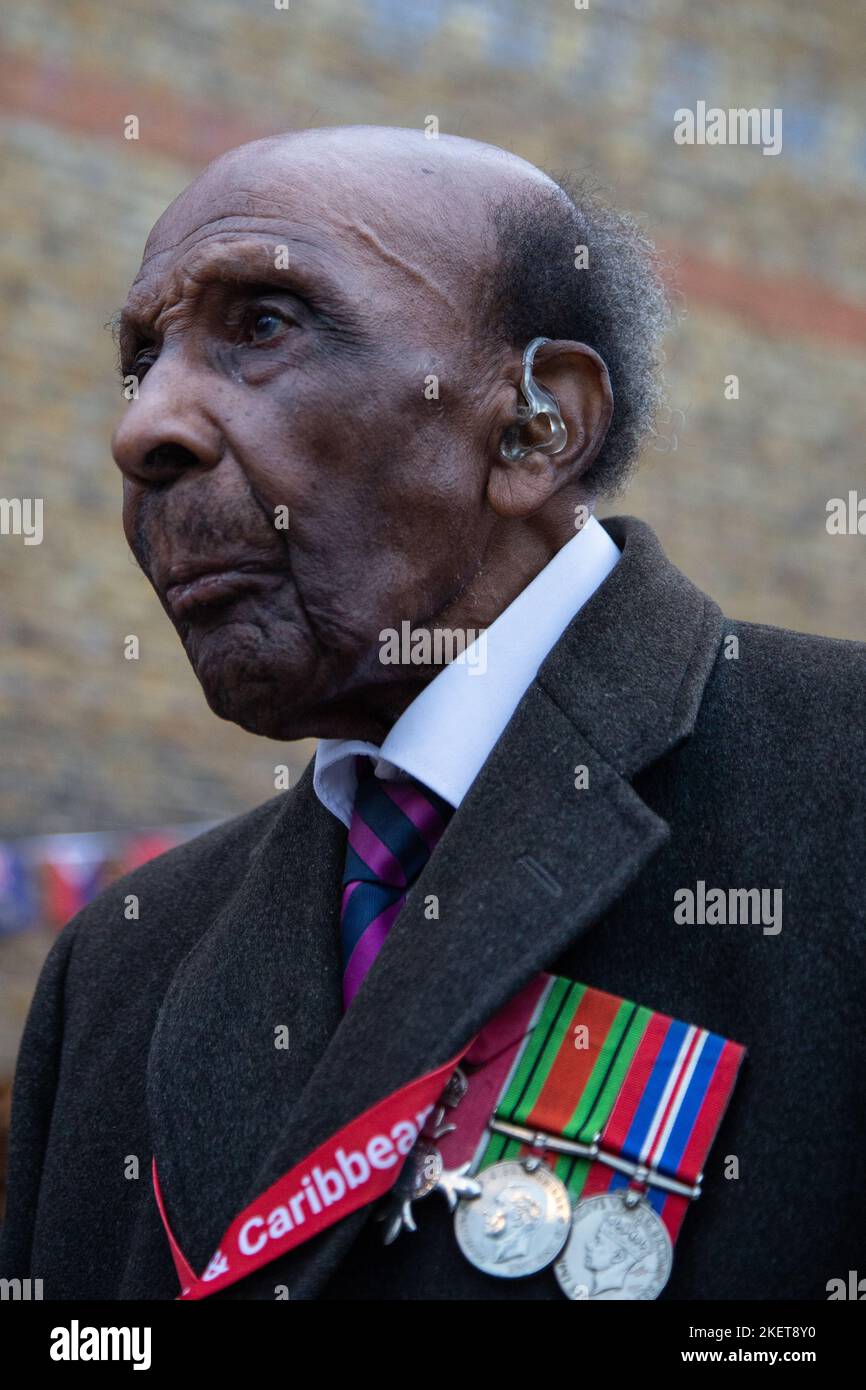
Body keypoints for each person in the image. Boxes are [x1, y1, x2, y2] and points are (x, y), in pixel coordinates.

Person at [1, 127, 863, 1301]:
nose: (143, 426)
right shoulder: (117, 963)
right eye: (142, 360)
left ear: (534, 427)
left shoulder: (838, 789)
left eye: (261, 325)